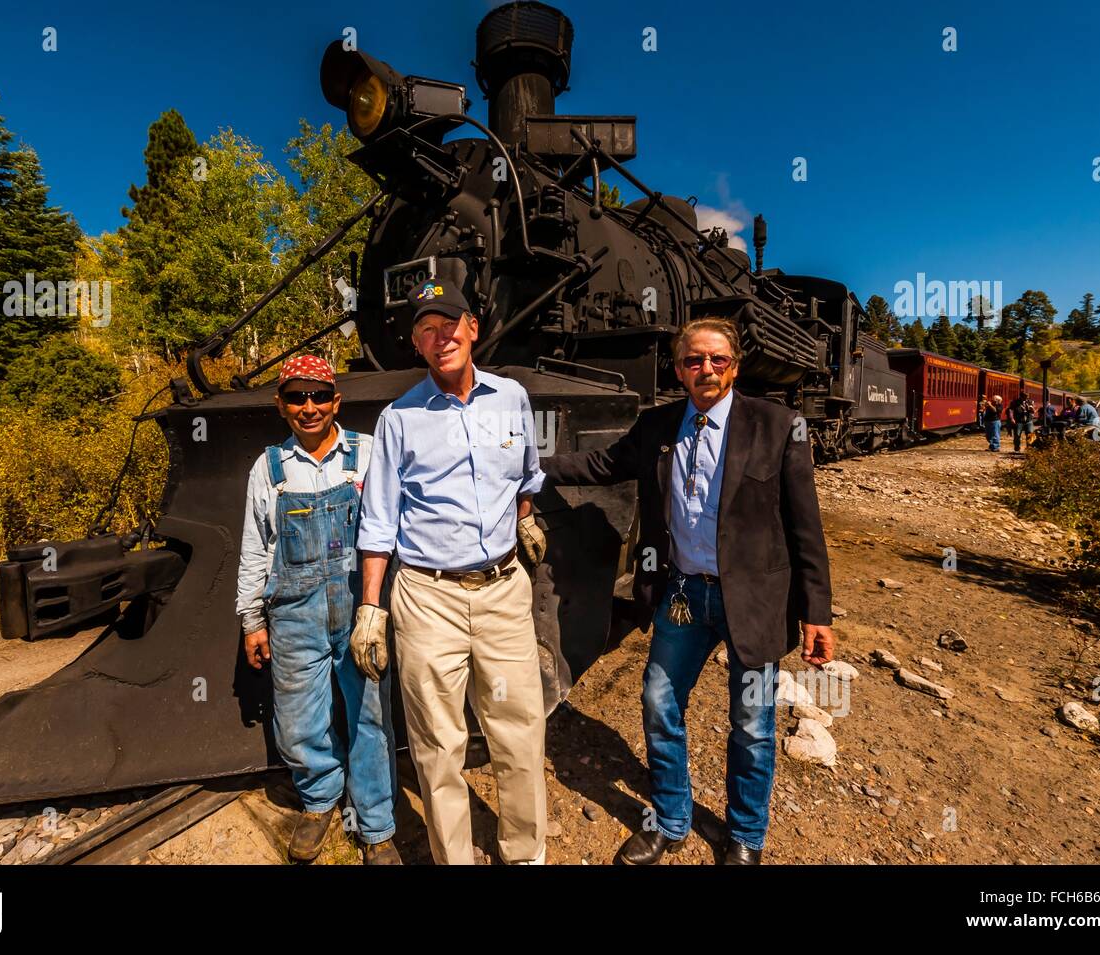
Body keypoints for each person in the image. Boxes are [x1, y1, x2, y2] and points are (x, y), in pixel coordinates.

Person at [541, 317, 834, 866]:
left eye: (717, 360)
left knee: (751, 724)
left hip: (754, 599)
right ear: (678, 369)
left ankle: (745, 837)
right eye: (694, 361)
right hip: (682, 594)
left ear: (735, 366)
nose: (706, 370)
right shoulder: (658, 426)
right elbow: (602, 463)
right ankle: (671, 820)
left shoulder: (778, 426)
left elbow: (806, 526)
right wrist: (529, 468)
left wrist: (817, 611)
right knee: (658, 701)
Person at [355, 279, 550, 865]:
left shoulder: (511, 398)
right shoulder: (399, 419)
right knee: (439, 745)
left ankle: (525, 855)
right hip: (427, 597)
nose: (440, 339)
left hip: (503, 591)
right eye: (425, 332)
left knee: (519, 731)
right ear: (416, 346)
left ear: (473, 329)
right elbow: (379, 520)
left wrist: (525, 517)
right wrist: (371, 607)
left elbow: (526, 473)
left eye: (448, 325)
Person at [236, 354, 400, 865]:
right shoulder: (269, 469)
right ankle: (318, 801)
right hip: (293, 615)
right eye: (296, 397)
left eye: (319, 396)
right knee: (299, 720)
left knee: (370, 716)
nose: (309, 407)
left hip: (360, 608)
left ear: (336, 401)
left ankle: (376, 828)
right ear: (280, 405)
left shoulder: (368, 455)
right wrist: (251, 620)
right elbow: (255, 548)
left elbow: (394, 528)